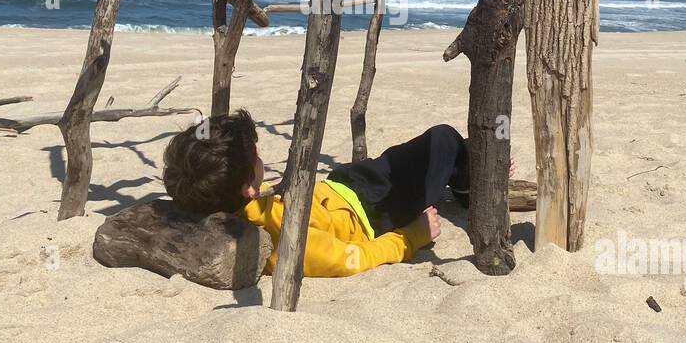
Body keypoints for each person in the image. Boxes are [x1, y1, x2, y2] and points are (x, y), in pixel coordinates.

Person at [161, 110, 470, 278]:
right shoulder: (280, 232)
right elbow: (349, 260)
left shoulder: (236, 204)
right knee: (442, 141)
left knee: (416, 152)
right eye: (256, 158)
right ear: (247, 189)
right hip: (374, 214)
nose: (260, 160)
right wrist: (411, 237)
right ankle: (468, 182)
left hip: (343, 186)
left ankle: (467, 163)